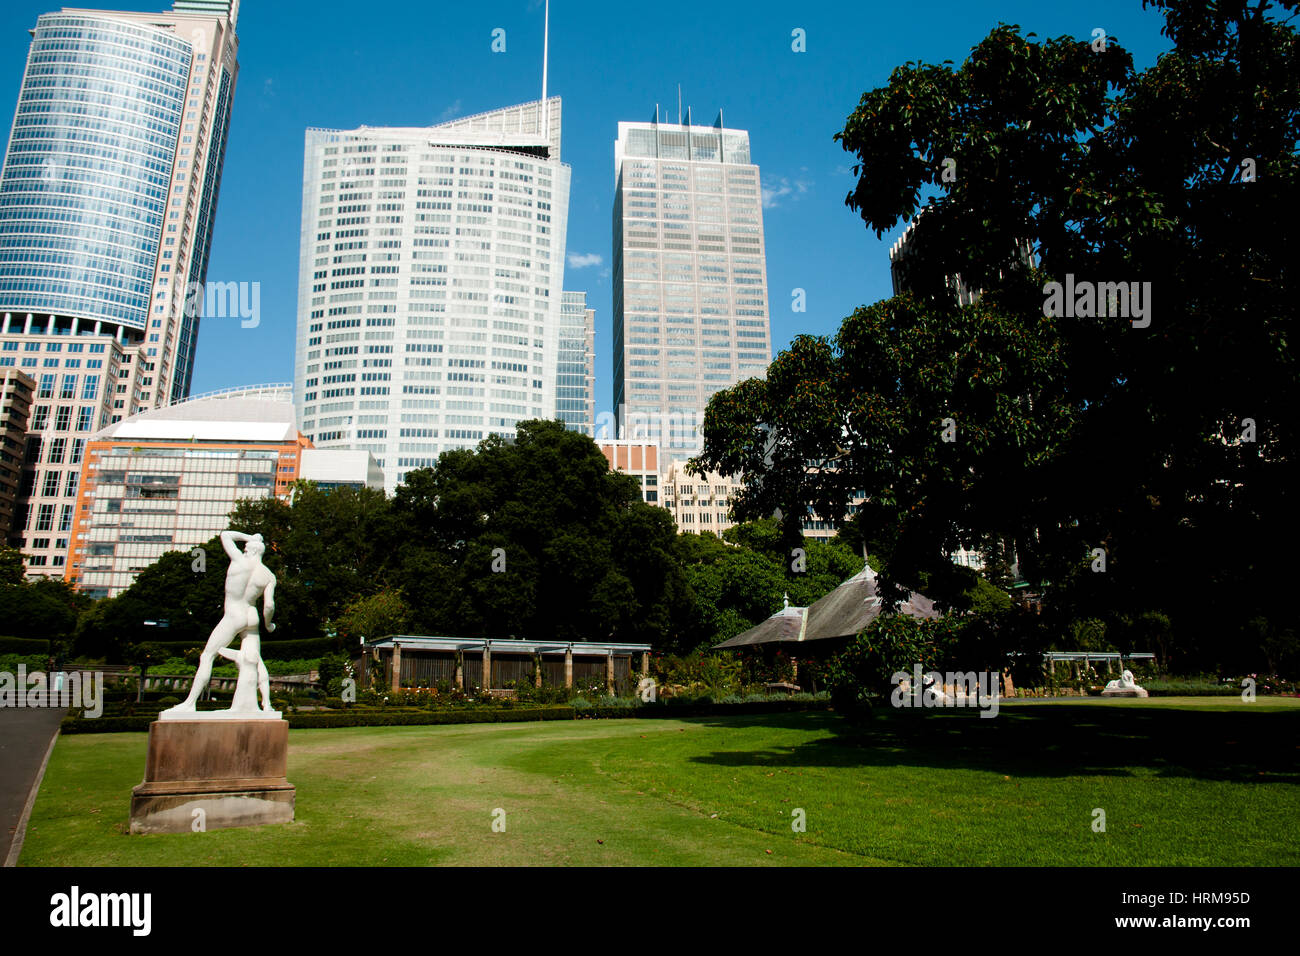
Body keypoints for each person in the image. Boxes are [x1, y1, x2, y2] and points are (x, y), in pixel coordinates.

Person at [166, 530, 276, 714]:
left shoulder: (239, 561)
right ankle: (267, 704)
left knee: (207, 656)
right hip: (252, 615)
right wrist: (268, 625)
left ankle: (190, 703)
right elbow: (269, 606)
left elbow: (225, 535)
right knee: (255, 660)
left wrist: (248, 537)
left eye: (247, 548)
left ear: (251, 550)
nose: (244, 550)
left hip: (234, 614)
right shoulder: (268, 575)